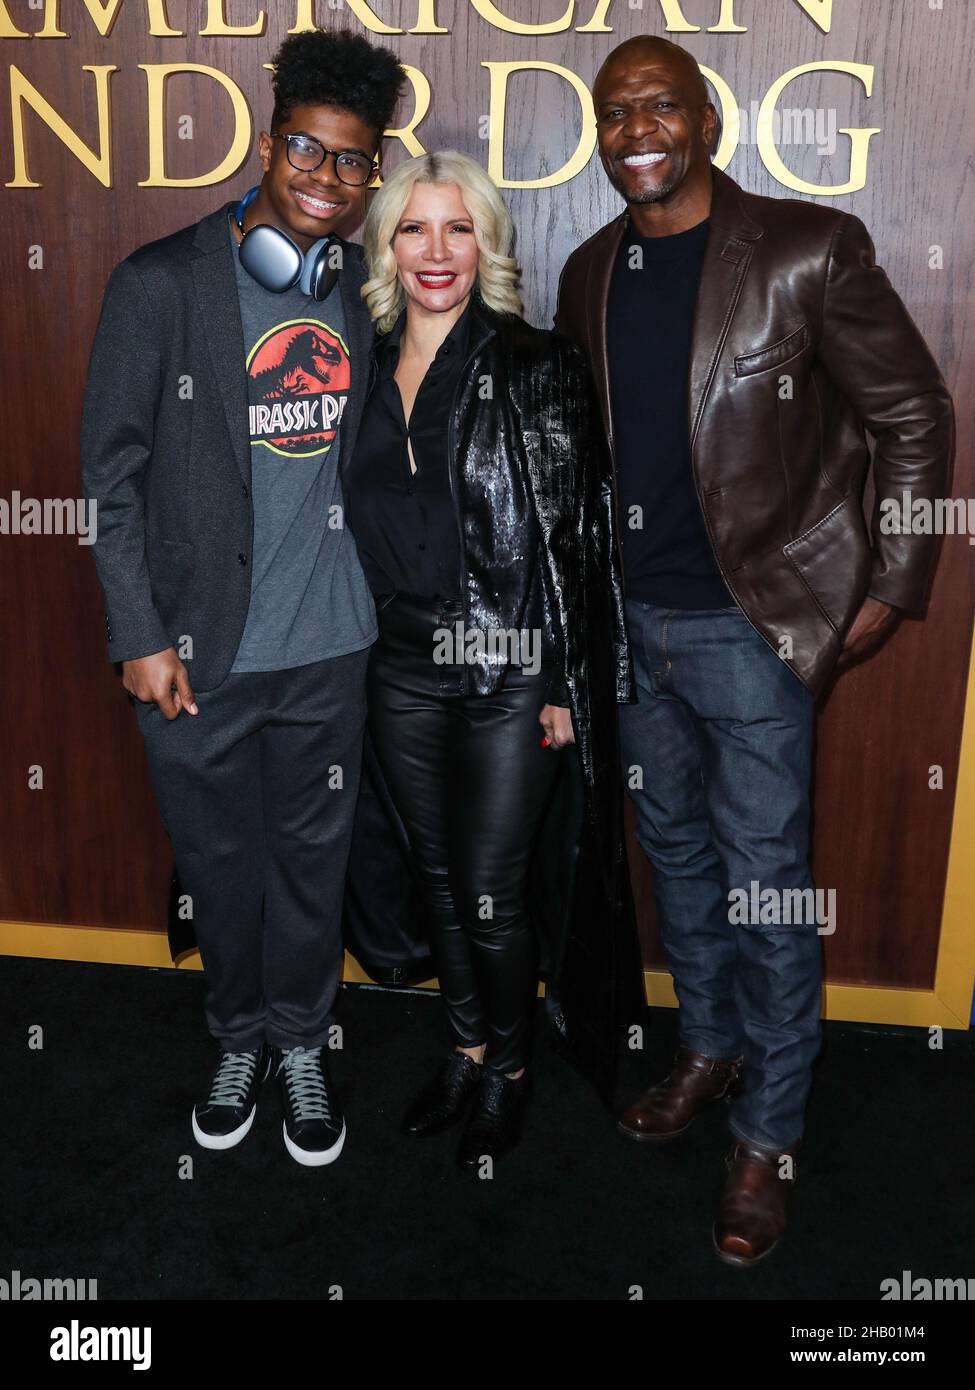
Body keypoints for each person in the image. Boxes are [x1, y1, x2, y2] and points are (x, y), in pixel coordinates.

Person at [555, 36, 953, 1262]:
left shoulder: (803, 250)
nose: (636, 132)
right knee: (673, 848)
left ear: (707, 120)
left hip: (753, 623)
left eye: (659, 107)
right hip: (635, 621)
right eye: (615, 113)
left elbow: (912, 414)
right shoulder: (587, 272)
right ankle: (713, 1048)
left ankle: (770, 1133)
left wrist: (891, 579)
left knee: (769, 876)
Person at [80, 30, 406, 1166]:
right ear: (267, 147)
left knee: (315, 867)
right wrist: (136, 633)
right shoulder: (161, 283)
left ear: (373, 175)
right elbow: (110, 477)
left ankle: (305, 1039)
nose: (325, 177)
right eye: (307, 151)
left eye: (353, 162)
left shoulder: (364, 300)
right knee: (221, 869)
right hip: (194, 655)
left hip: (329, 648)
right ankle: (237, 1034)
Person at [344, 149, 637, 1168]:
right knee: (434, 873)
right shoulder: (357, 364)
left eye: (459, 228)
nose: (436, 251)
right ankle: (465, 1044)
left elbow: (576, 535)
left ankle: (508, 1068)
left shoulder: (534, 362)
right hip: (400, 666)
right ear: (386, 243)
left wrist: (564, 682)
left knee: (489, 885)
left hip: (510, 666)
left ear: (487, 246)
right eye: (415, 228)